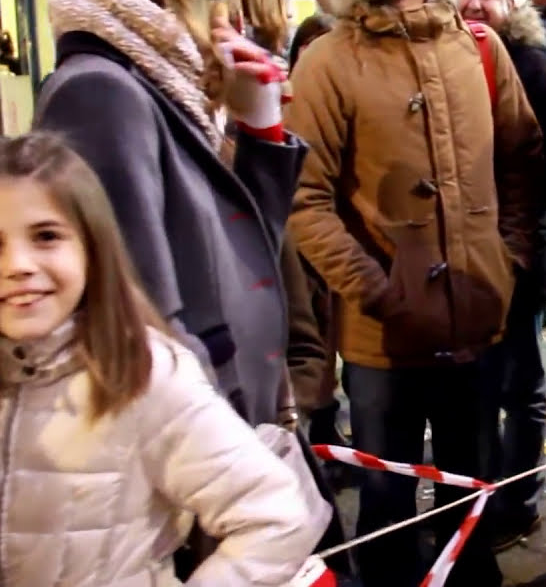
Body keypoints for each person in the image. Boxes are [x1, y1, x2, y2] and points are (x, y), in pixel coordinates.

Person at [286, 0, 543, 587]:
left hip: (478, 321)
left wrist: (510, 257)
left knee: (471, 487)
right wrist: (377, 291)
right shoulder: (328, 61)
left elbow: (523, 159)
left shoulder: (482, 51)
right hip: (381, 340)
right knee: (386, 501)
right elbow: (304, 200)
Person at [0, 131, 324, 585]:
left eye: (47, 236)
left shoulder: (144, 375)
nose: (18, 264)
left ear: (92, 247)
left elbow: (277, 515)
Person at [35, 0, 303, 431]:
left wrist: (261, 128)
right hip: (192, 419)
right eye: (221, 14)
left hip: (216, 403)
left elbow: (243, 253)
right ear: (190, 5)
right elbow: (138, 306)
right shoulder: (101, 91)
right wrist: (216, 434)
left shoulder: (159, 87)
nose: (228, 36)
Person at [456, 0, 546, 550]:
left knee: (521, 388)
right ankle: (482, 497)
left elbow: (539, 173)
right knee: (479, 388)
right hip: (464, 263)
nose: (475, 2)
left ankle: (519, 503)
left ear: (511, 1)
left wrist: (515, 250)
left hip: (519, 256)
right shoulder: (441, 56)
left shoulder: (532, 66)